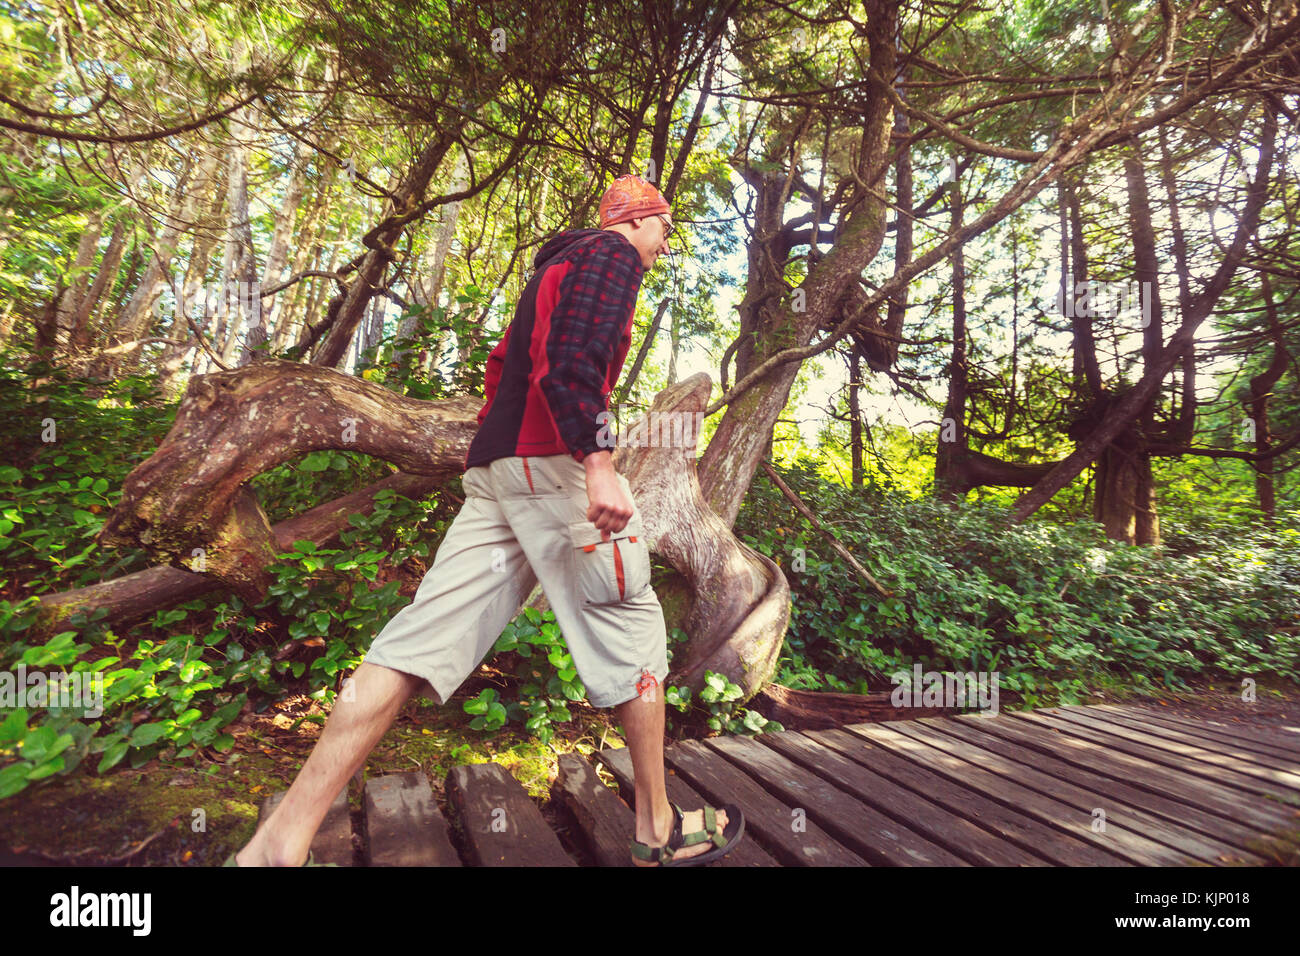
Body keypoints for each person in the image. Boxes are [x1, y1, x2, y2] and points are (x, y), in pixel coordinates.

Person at [228, 174, 744, 868]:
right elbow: (569, 369)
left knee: (413, 644)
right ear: (640, 221)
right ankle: (657, 829)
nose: (663, 244)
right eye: (666, 228)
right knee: (635, 632)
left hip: (497, 471)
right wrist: (596, 462)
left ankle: (274, 849)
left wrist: (520, 464)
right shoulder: (611, 255)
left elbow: (504, 377)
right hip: (556, 468)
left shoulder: (552, 270)